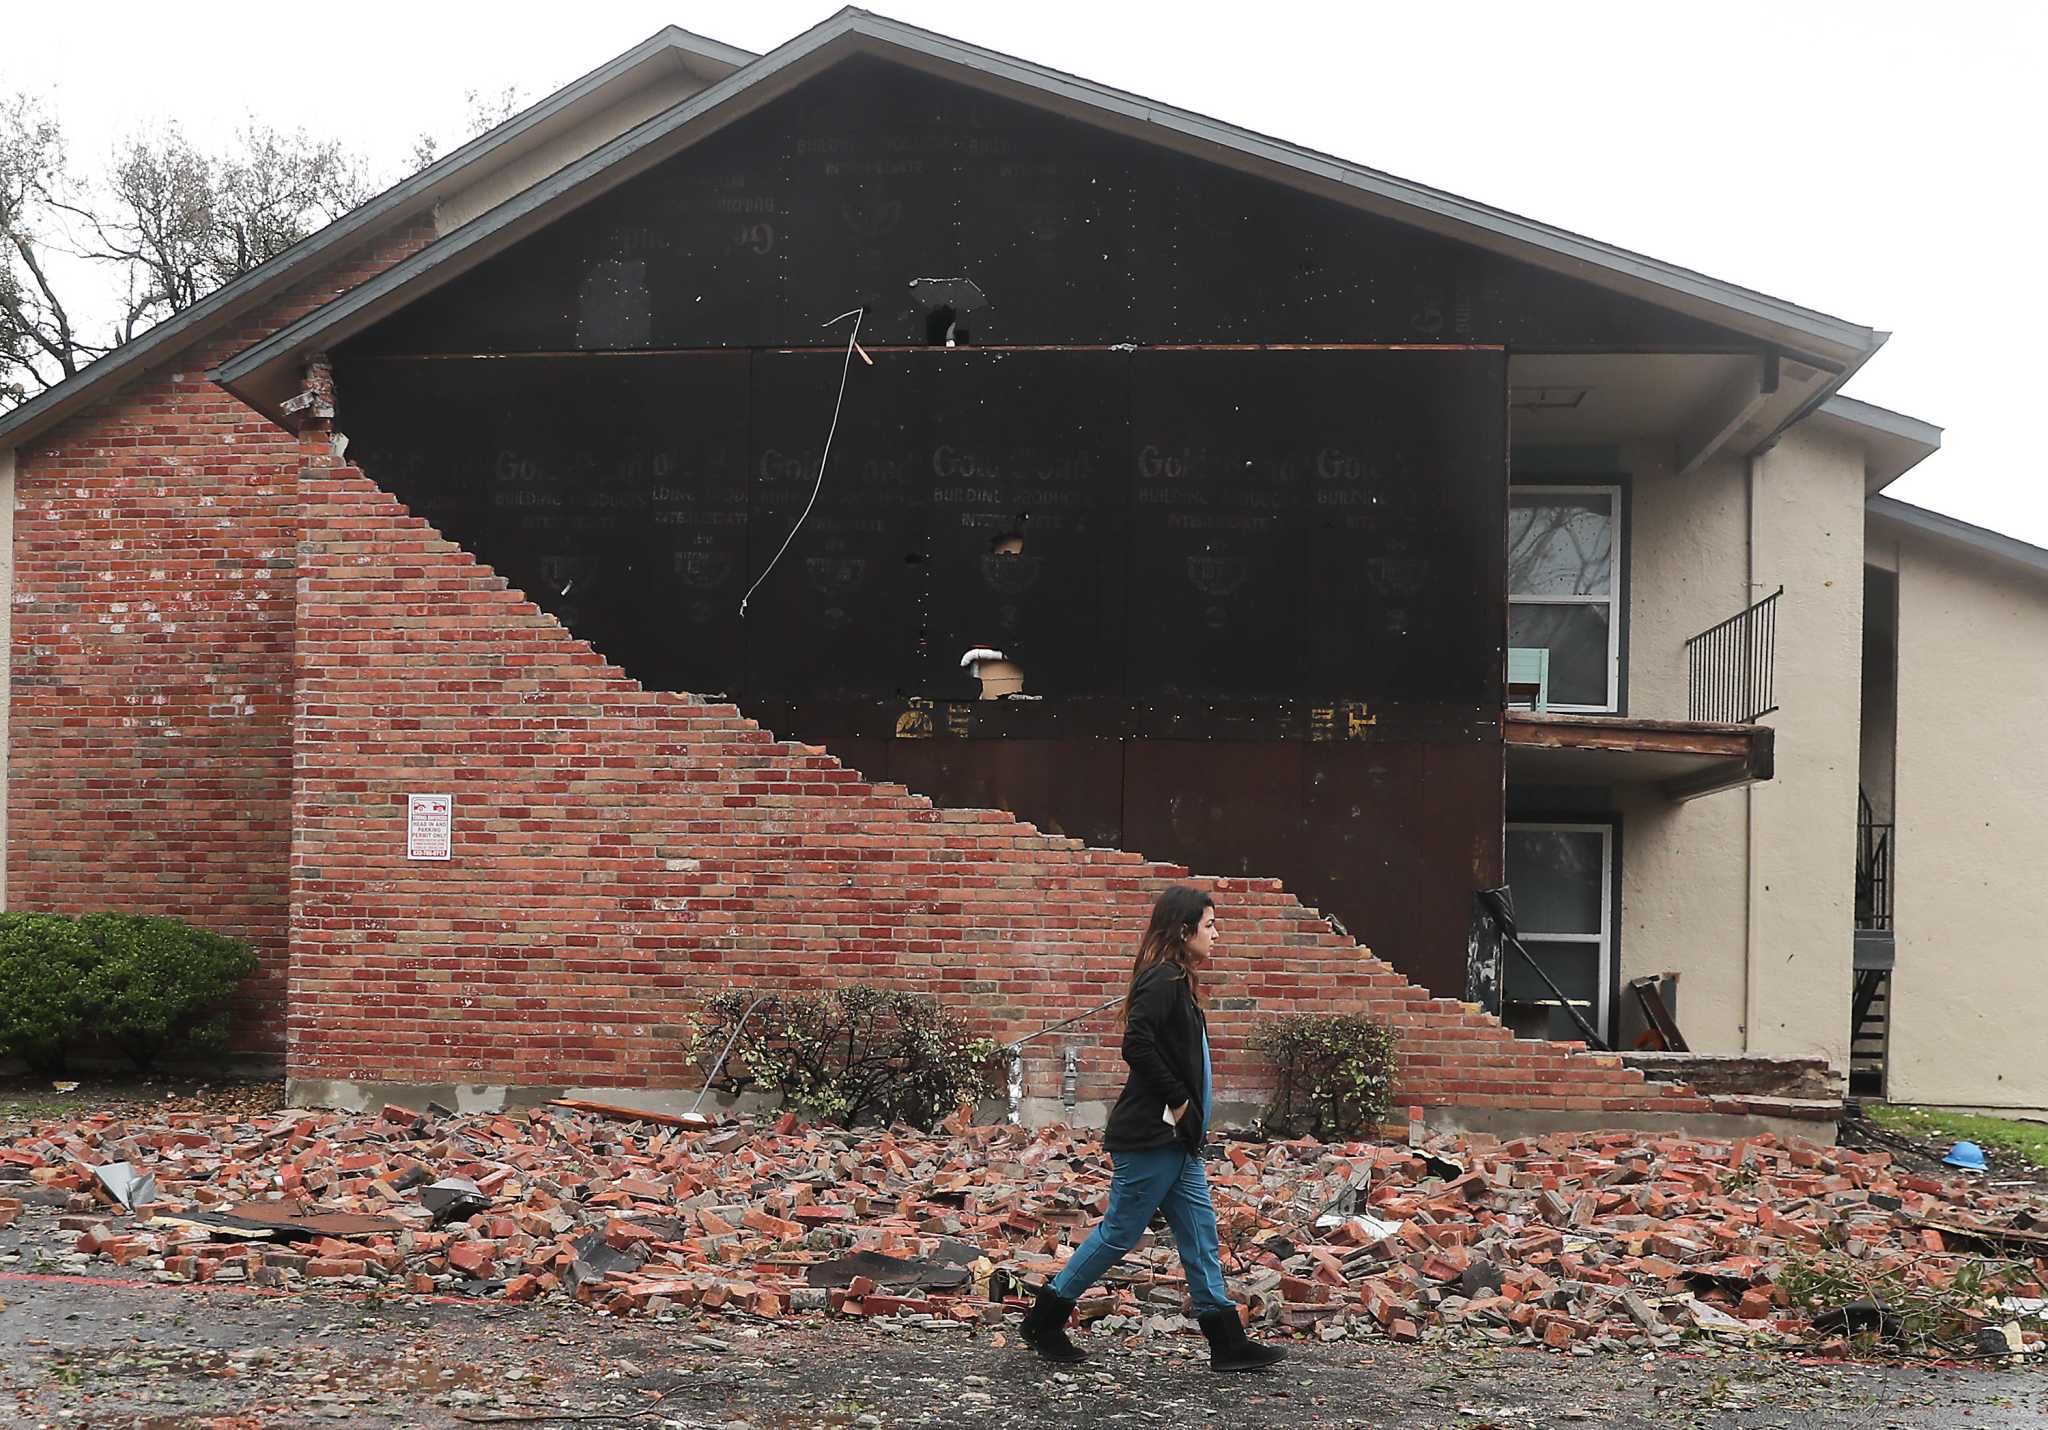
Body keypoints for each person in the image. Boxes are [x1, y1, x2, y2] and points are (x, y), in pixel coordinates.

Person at [1018, 885, 1288, 1373]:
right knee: (1120, 1231)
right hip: (1152, 1138)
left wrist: (1189, 1121)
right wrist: (1182, 1103)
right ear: (1184, 931)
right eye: (1209, 925)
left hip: (1177, 1141)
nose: (1216, 933)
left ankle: (1225, 1341)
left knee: (1201, 1233)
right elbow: (1135, 1045)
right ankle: (1044, 1319)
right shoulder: (1162, 980)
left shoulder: (1177, 980)